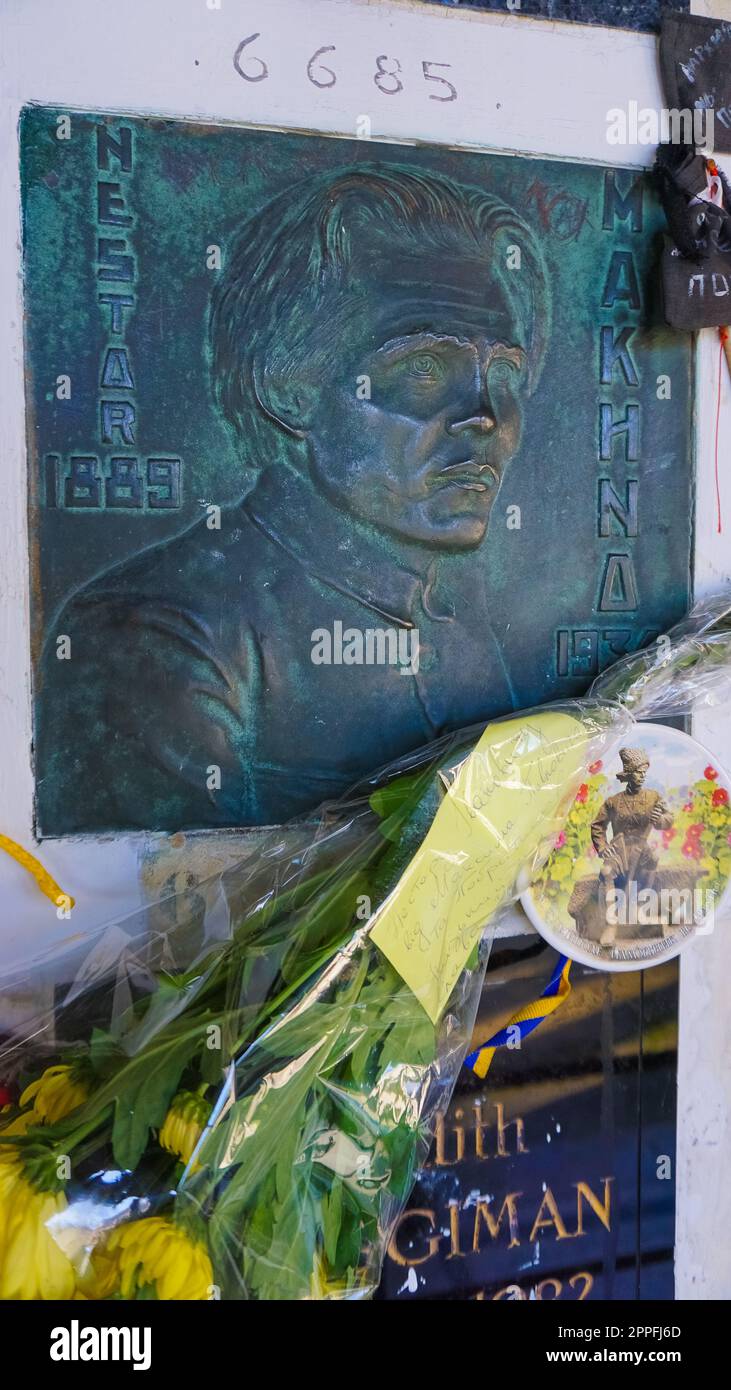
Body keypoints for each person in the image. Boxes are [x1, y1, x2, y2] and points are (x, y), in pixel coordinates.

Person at [37, 163, 551, 833]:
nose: (486, 417)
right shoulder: (153, 635)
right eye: (424, 368)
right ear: (288, 389)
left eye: (504, 375)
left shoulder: (453, 616)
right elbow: (179, 923)